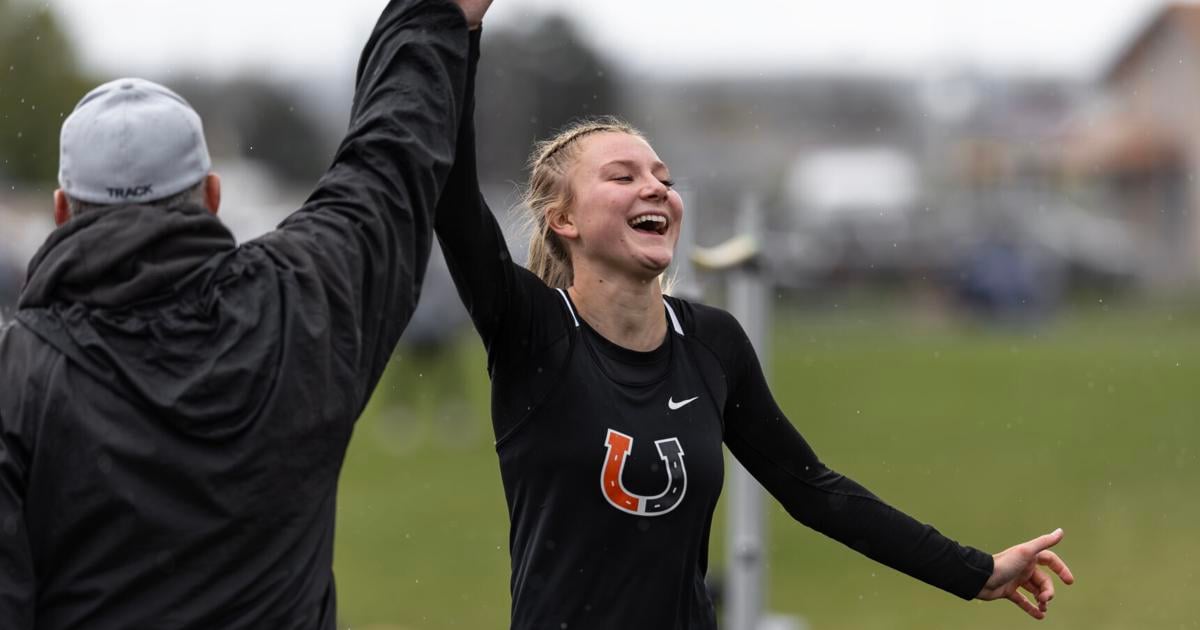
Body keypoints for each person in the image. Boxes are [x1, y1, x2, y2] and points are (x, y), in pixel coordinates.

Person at [432, 47, 1075, 629]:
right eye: (623, 177)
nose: (656, 187)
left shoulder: (712, 342)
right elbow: (454, 197)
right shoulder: (533, 332)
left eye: (662, 177)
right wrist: (456, 30)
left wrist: (974, 570)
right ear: (563, 220)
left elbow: (816, 491)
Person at [0, 0, 492, 627]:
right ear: (211, 195)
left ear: (62, 210)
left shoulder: (15, 378)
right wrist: (432, 14)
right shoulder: (299, 302)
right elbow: (389, 163)